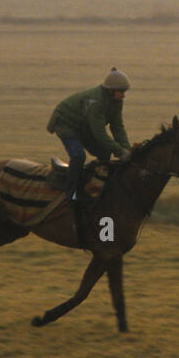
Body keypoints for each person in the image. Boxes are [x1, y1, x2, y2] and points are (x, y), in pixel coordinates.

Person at [46, 68, 133, 244]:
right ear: (110, 91)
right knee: (78, 156)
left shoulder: (116, 102)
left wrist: (127, 149)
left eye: (124, 92)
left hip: (84, 126)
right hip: (66, 124)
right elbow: (99, 133)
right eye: (120, 92)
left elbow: (117, 127)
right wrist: (120, 151)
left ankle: (95, 186)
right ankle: (72, 194)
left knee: (104, 153)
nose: (123, 95)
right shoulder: (96, 103)